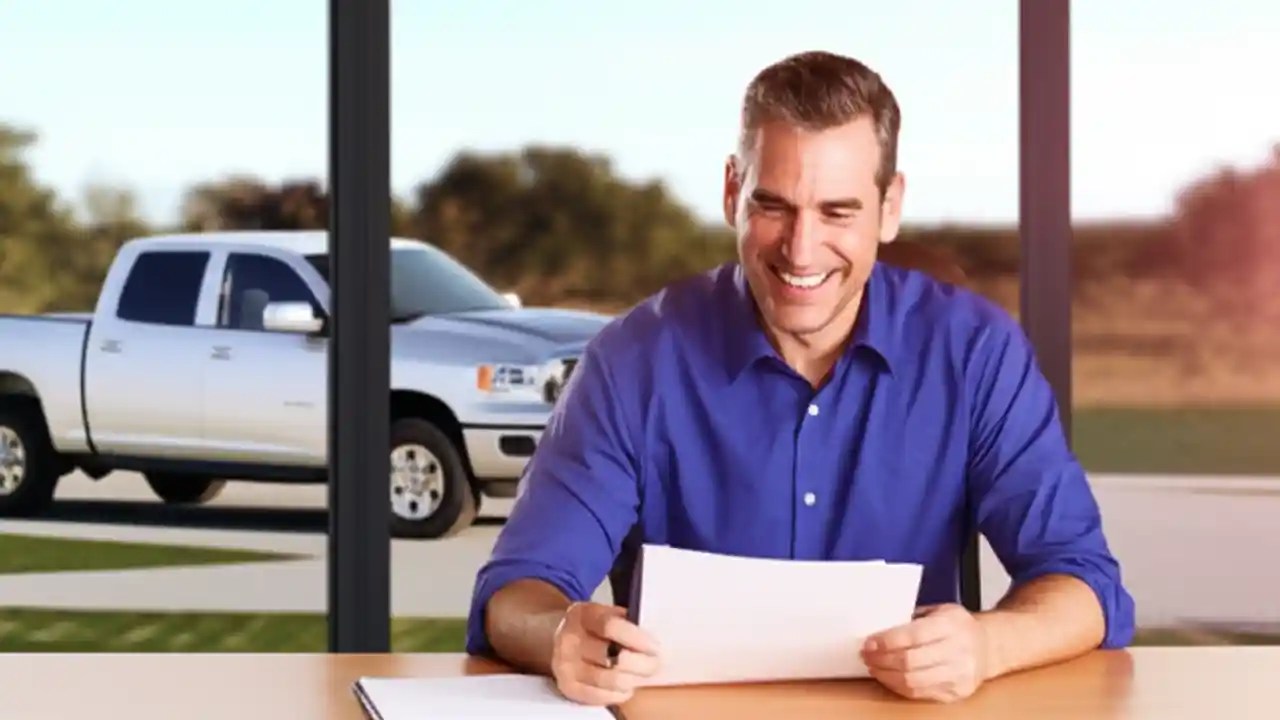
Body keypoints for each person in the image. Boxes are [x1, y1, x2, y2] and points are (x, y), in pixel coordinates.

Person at [464, 49, 1135, 705]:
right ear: (733, 191)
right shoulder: (632, 361)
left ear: (890, 206)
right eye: (774, 205)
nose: (801, 249)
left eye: (838, 212)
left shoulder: (977, 354)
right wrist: (559, 635)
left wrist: (990, 646)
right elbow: (517, 593)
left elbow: (1084, 585)